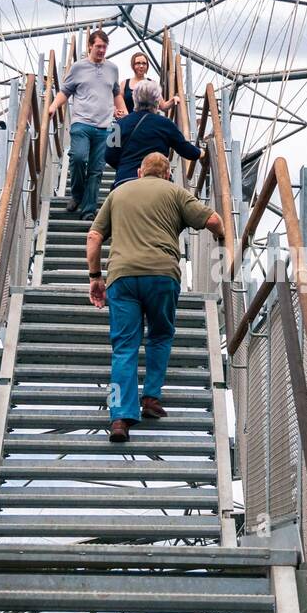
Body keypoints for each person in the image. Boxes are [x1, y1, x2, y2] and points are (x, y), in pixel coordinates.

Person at [86, 152, 225, 443]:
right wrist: (223, 236)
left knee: (123, 347)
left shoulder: (118, 193)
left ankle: (119, 418)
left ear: (139, 172)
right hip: (163, 275)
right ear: (167, 174)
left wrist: (95, 277)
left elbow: (94, 238)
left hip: (121, 277)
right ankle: (151, 398)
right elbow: (212, 219)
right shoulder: (176, 192)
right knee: (160, 335)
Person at [48, 29, 125, 221]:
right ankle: (77, 194)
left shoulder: (113, 69)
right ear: (90, 46)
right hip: (81, 122)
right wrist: (52, 107)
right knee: (79, 158)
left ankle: (89, 210)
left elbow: (116, 93)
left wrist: (126, 115)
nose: (101, 50)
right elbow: (65, 91)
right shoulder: (78, 67)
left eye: (104, 47)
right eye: (98, 46)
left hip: (105, 126)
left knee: (96, 169)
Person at [106, 78, 203, 189]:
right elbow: (186, 150)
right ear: (157, 101)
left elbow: (109, 156)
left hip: (124, 182)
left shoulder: (119, 124)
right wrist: (200, 152)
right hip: (157, 184)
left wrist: (125, 166)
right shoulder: (165, 124)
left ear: (134, 99)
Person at [118, 50, 179, 117]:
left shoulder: (152, 84)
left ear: (147, 66)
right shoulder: (124, 84)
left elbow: (163, 106)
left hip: (147, 122)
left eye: (144, 63)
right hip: (129, 123)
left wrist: (173, 100)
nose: (141, 66)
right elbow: (118, 104)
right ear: (133, 65)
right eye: (138, 63)